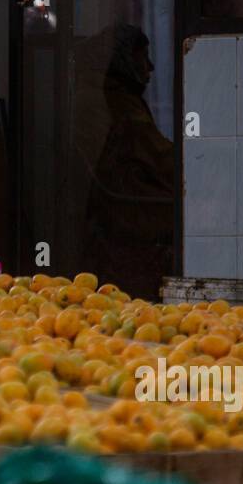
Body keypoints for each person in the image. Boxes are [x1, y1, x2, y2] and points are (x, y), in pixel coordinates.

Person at [75, 22, 175, 300]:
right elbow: (161, 159)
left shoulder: (111, 96)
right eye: (143, 57)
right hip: (127, 208)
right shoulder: (117, 103)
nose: (151, 67)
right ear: (124, 60)